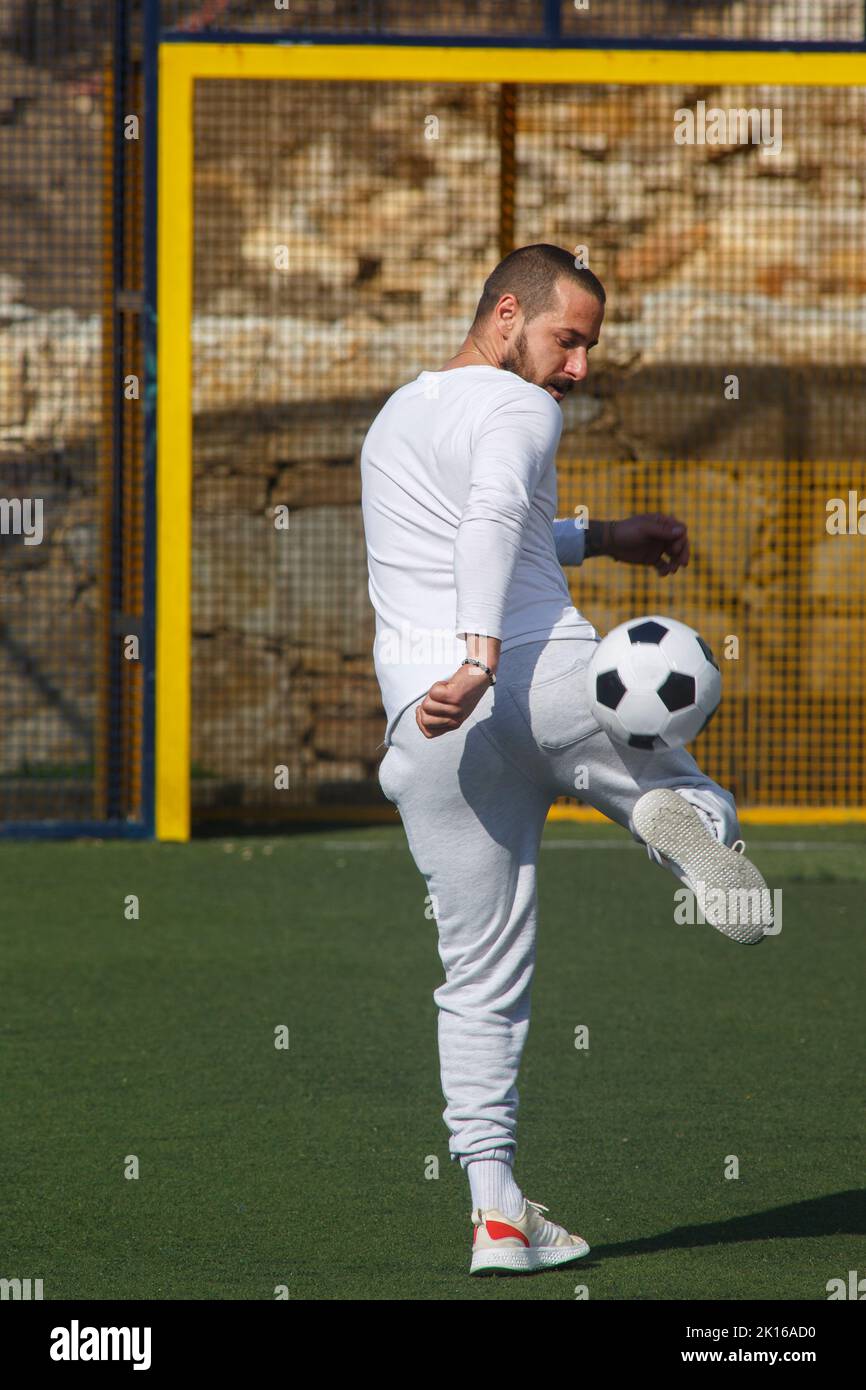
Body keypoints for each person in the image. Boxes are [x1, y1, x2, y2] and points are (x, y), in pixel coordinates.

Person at [359, 243, 772, 1277]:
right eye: (568, 338)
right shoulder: (523, 410)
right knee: (672, 776)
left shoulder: (395, 419)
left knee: (478, 979)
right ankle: (677, 820)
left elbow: (479, 526)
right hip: (539, 677)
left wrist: (601, 534)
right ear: (506, 315)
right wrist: (483, 649)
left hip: (429, 732)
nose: (580, 365)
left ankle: (495, 1212)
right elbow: (495, 513)